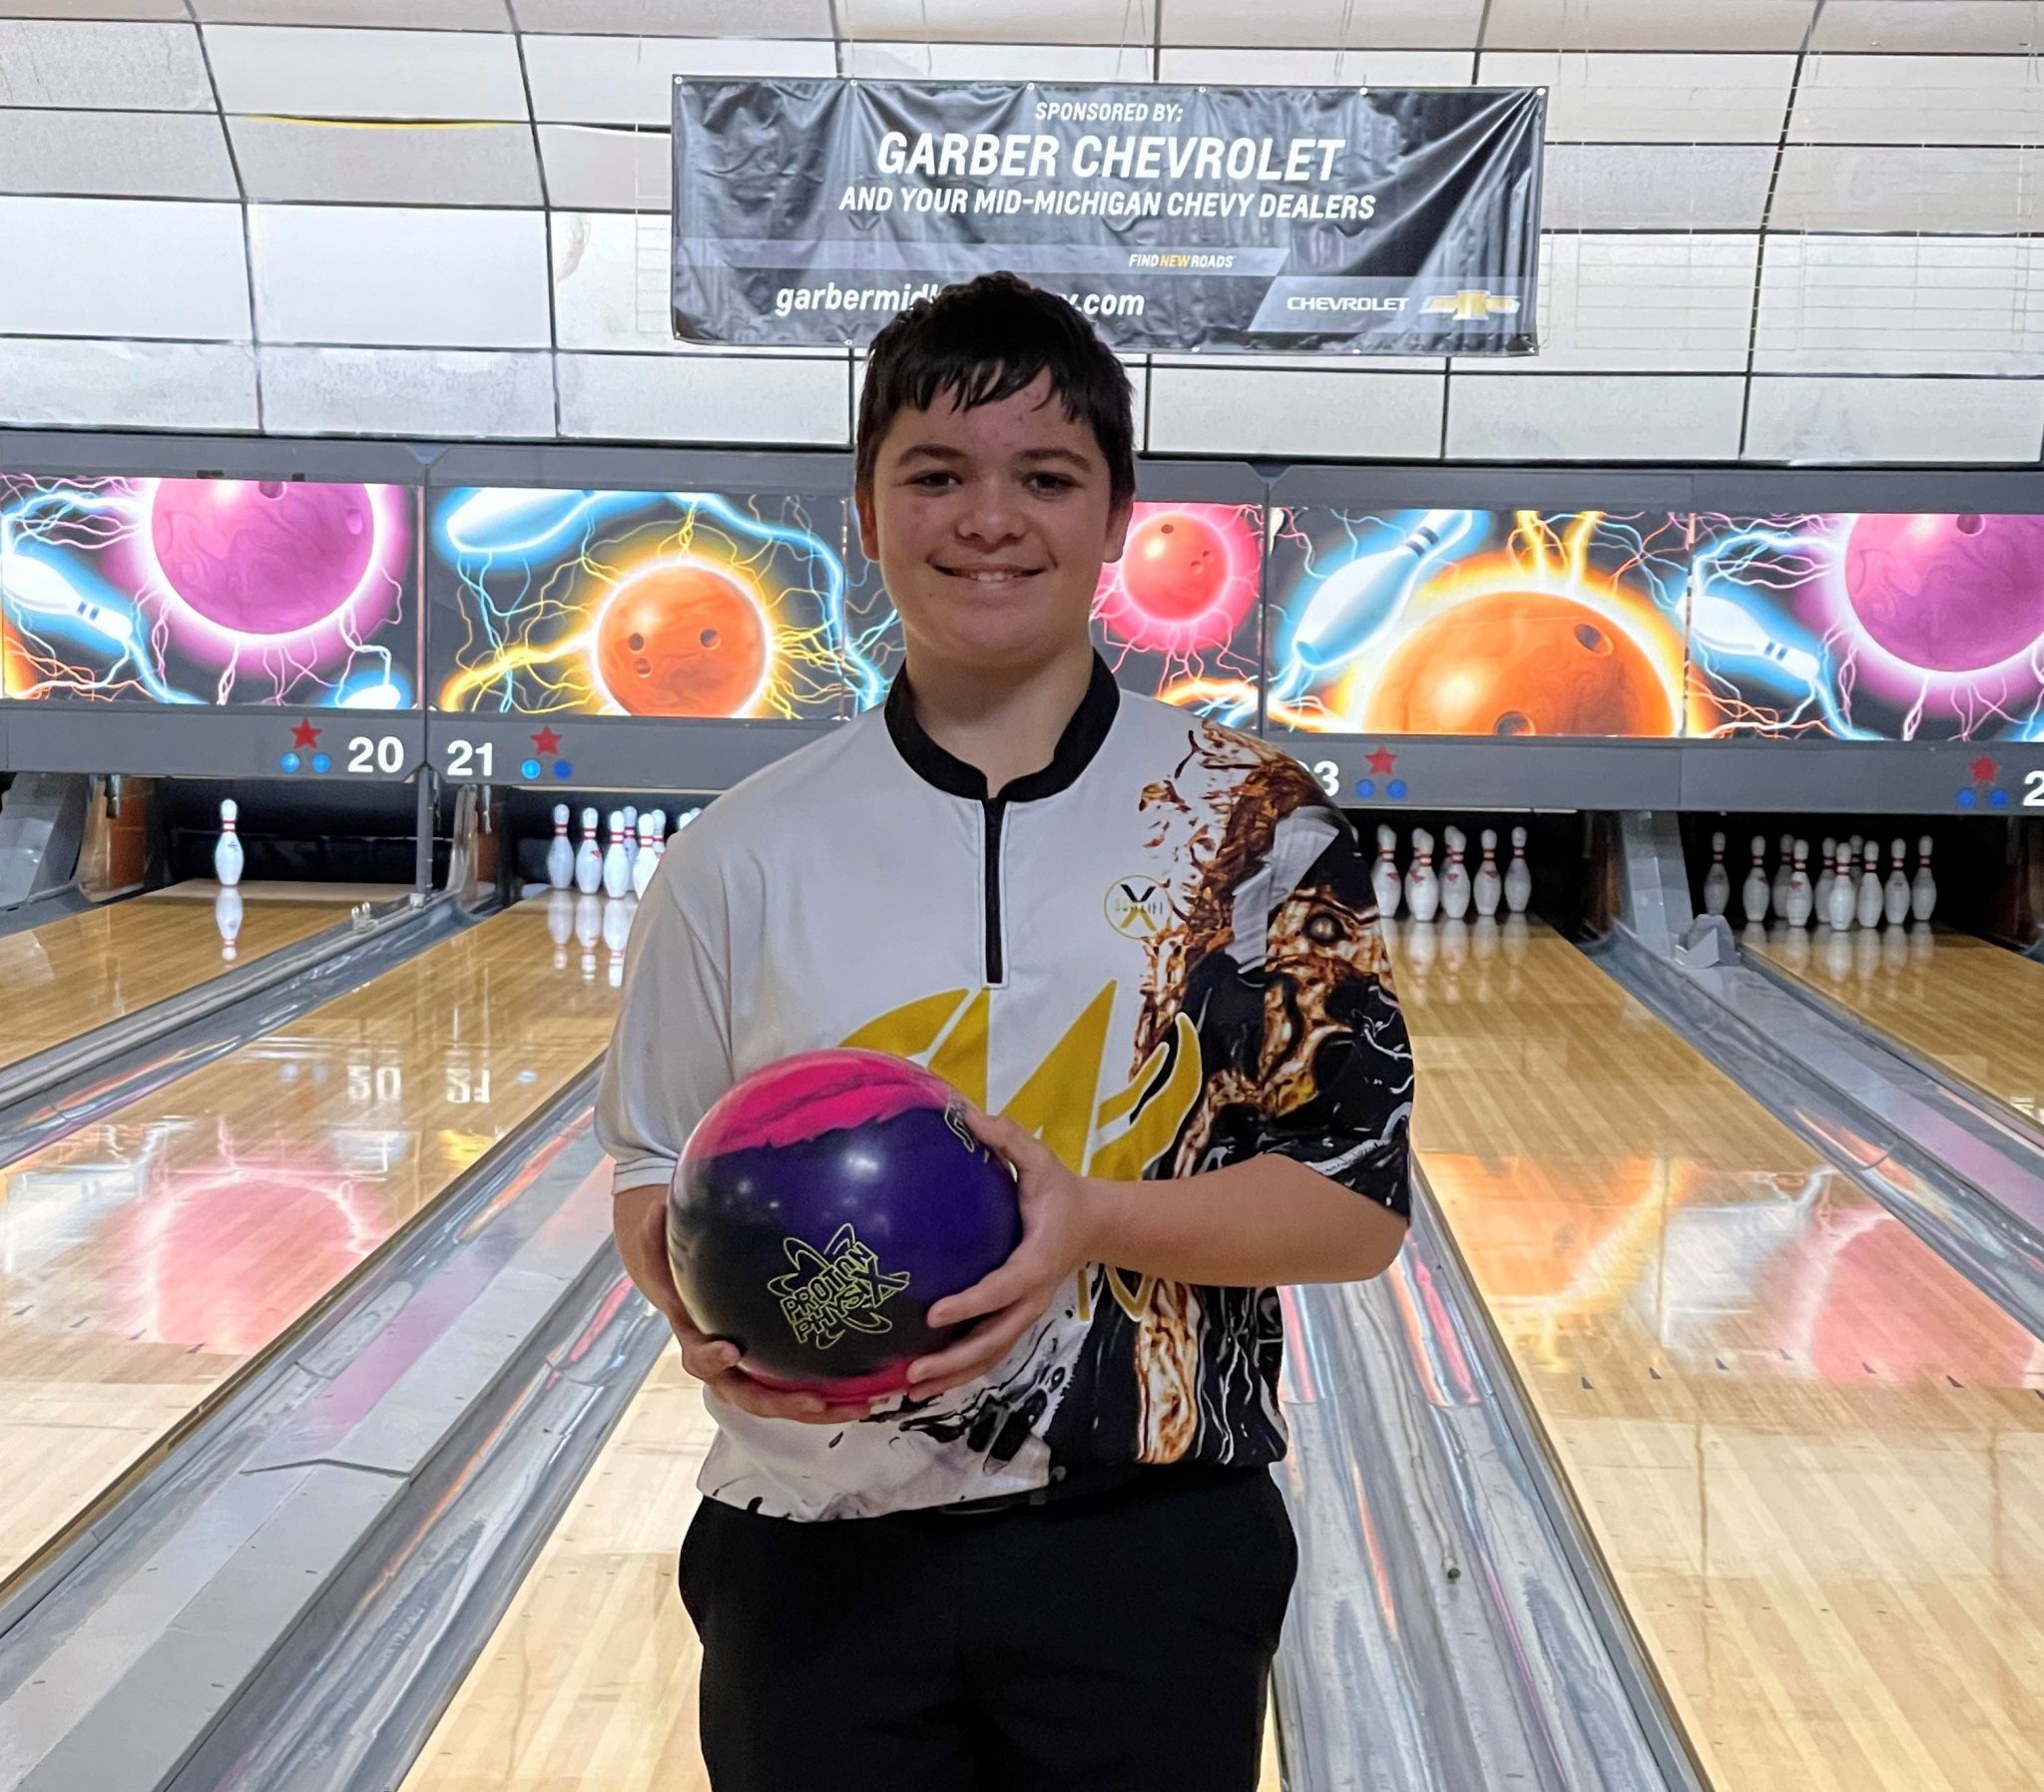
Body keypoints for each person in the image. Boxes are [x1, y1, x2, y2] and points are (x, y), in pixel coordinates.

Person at [596, 270, 1414, 1791]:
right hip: (815, 1555)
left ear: (1118, 520)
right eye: (936, 474)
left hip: (1151, 1545)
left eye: (1046, 477)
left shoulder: (1255, 837)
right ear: (865, 509)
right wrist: (704, 1311)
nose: (990, 518)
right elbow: (658, 1175)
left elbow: (1354, 1210)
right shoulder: (736, 853)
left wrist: (1089, 1218)